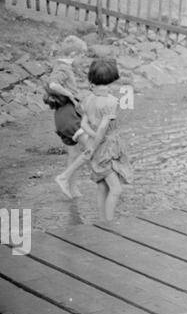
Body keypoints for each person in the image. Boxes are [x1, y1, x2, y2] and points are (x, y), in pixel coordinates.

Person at [55, 58, 132, 220]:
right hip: (106, 149)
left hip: (96, 147)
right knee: (116, 190)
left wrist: (91, 140)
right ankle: (108, 224)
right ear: (110, 81)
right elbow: (103, 127)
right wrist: (96, 144)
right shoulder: (111, 101)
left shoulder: (88, 99)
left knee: (102, 187)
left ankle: (102, 222)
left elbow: (84, 122)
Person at [46, 36, 88, 195]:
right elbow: (53, 84)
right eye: (82, 55)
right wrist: (70, 94)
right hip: (70, 116)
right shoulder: (63, 68)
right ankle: (64, 178)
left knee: (74, 154)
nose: (83, 59)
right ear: (73, 54)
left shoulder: (60, 66)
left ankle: (73, 189)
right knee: (93, 148)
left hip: (61, 117)